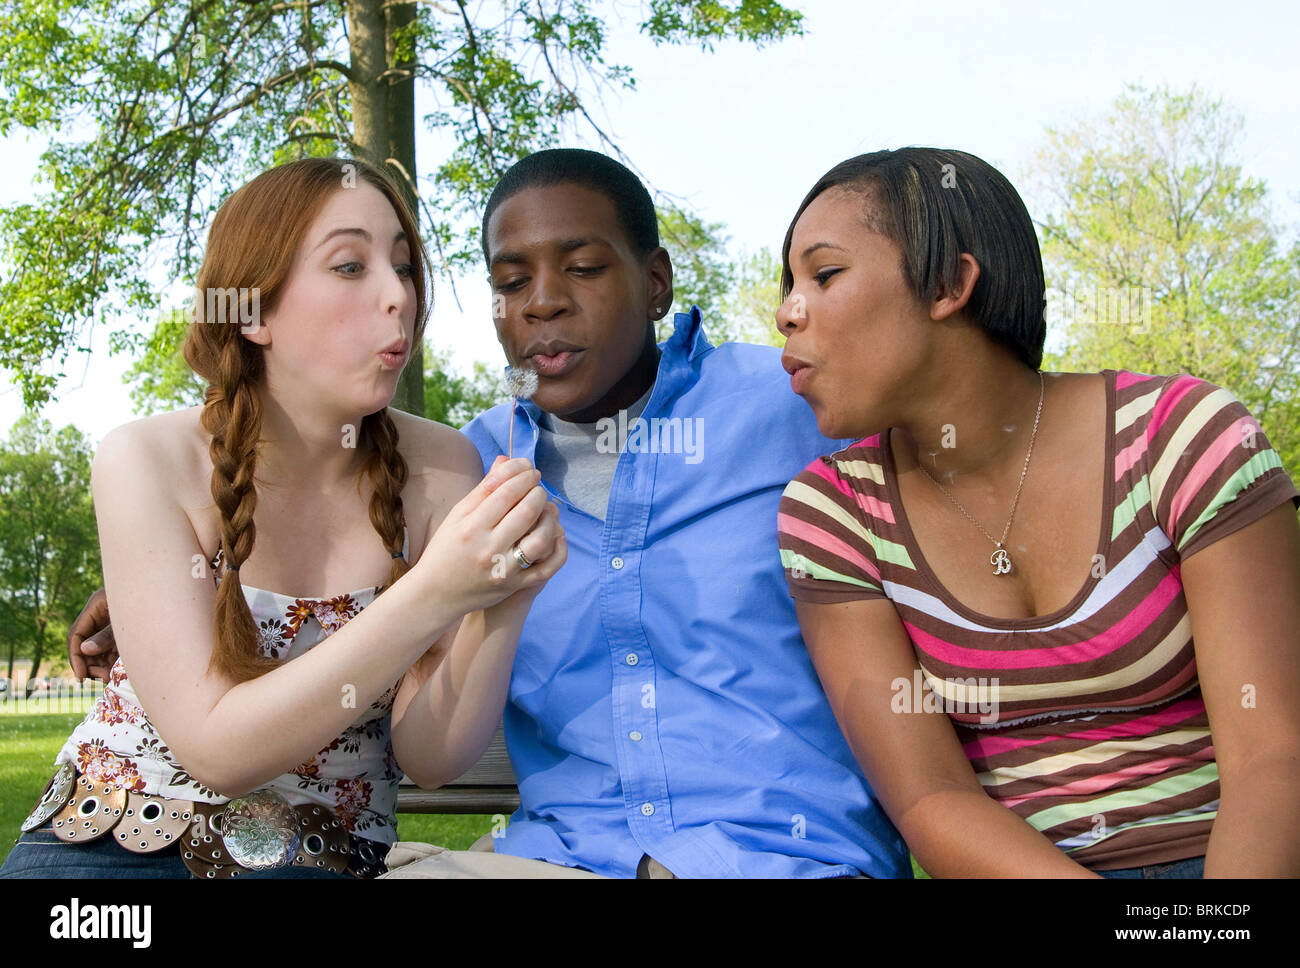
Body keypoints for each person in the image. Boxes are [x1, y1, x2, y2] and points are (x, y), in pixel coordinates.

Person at [71, 149, 911, 878]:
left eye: (582, 268)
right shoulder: (481, 468)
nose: (540, 302)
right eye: (510, 283)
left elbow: (964, 481)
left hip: (788, 858)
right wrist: (165, 590)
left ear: (654, 283)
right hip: (564, 860)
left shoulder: (791, 404)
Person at [4, 157, 565, 879]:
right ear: (255, 311)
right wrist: (436, 592)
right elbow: (218, 752)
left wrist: (502, 601)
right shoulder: (145, 458)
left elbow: (433, 756)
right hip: (111, 846)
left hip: (320, 861)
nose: (398, 296)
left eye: (403, 267)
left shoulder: (440, 467)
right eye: (349, 267)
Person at [775, 147, 1300, 877]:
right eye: (789, 286)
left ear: (949, 284)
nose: (786, 313)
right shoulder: (835, 512)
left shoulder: (1183, 438)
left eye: (824, 275)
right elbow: (932, 800)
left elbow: (1274, 756)